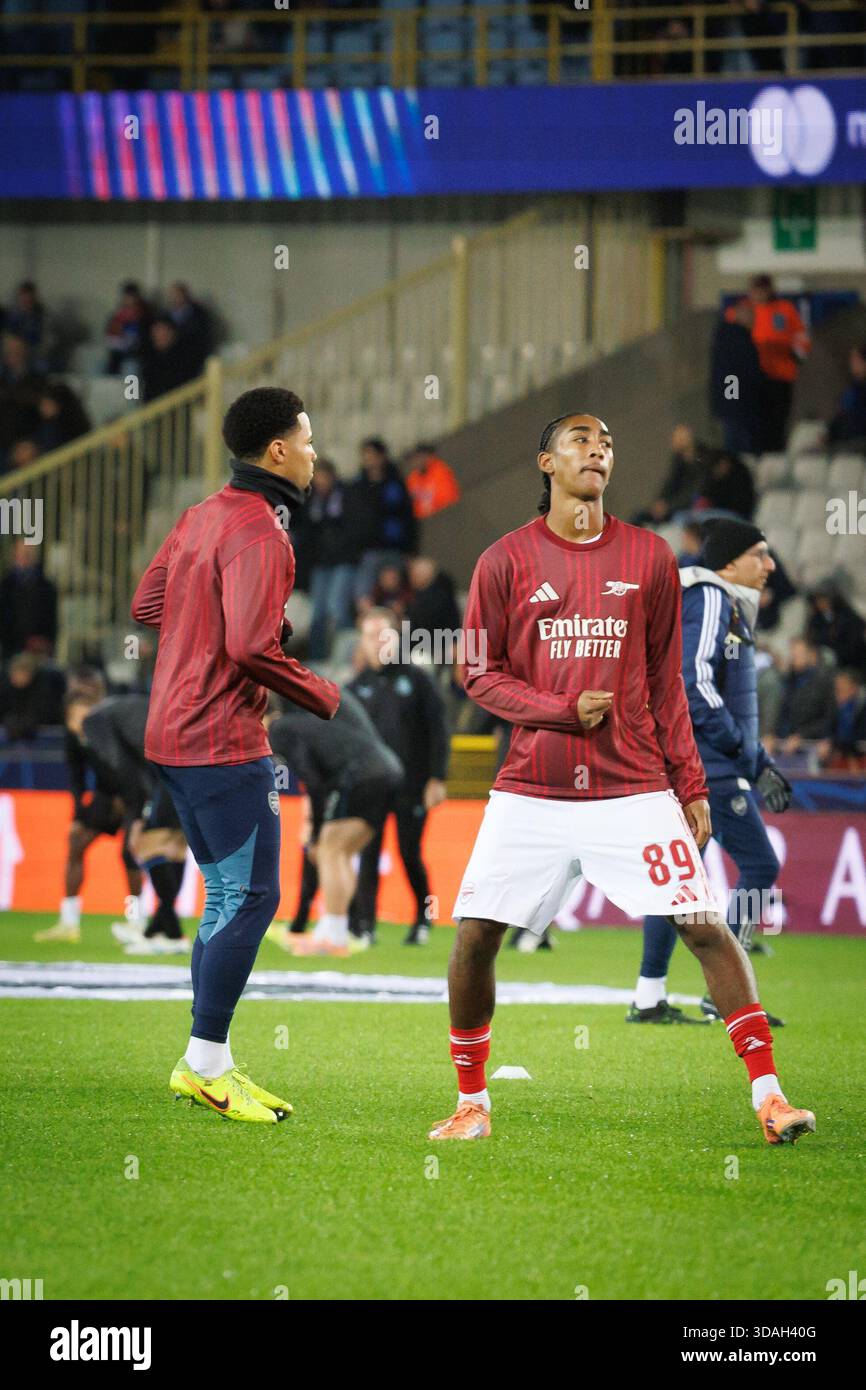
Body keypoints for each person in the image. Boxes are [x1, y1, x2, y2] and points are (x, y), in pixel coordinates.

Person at [427, 412, 814, 1146]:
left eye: (607, 439)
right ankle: (472, 1102)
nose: (597, 448)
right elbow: (475, 673)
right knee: (475, 936)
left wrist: (691, 785)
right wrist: (560, 711)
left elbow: (668, 684)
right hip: (533, 787)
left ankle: (770, 1096)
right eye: (580, 438)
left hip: (634, 787)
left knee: (703, 926)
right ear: (546, 461)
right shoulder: (503, 560)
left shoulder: (649, 557)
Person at [131, 386, 339, 1125]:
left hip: (170, 733)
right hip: (221, 739)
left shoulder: (201, 514)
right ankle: (205, 1063)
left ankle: (206, 1062)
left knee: (226, 897)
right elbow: (252, 646)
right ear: (277, 450)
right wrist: (322, 695)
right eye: (308, 439)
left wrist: (207, 622)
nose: (316, 451)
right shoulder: (263, 530)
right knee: (253, 898)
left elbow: (147, 606)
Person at [630, 519, 792, 1030]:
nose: (769, 566)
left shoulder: (712, 600)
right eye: (760, 555)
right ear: (729, 561)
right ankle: (725, 993)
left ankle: (649, 997)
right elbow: (694, 685)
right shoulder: (713, 598)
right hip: (708, 766)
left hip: (695, 762)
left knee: (677, 885)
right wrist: (752, 757)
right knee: (761, 865)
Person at [266, 688, 404, 956]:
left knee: (329, 849)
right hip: (388, 770)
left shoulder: (280, 729)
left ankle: (333, 934)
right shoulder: (307, 721)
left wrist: (316, 833)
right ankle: (337, 932)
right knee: (342, 852)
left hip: (361, 775)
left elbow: (314, 783)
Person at [80, 692, 190, 956]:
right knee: (175, 847)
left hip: (168, 772)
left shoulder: (93, 721)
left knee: (151, 846)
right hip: (190, 767)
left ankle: (171, 934)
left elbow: (123, 767)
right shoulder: (127, 706)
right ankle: (159, 931)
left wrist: (138, 814)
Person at [34, 685, 145, 945]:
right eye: (74, 716)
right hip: (106, 795)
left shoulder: (110, 729)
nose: (79, 722)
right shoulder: (73, 737)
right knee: (76, 843)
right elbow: (76, 776)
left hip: (133, 795)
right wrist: (78, 814)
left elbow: (132, 765)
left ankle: (136, 922)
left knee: (128, 854)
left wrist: (130, 799)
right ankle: (69, 922)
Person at [725, 276, 810, 452]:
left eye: (762, 289)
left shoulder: (784, 310)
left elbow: (801, 339)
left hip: (779, 377)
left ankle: (774, 457)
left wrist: (795, 354)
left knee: (776, 424)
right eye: (755, 289)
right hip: (748, 380)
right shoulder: (738, 312)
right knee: (746, 424)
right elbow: (728, 353)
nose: (759, 294)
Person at [305, 458, 363, 660]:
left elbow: (355, 529)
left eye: (323, 477)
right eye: (316, 478)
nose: (320, 482)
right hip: (321, 563)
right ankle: (317, 659)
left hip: (344, 561)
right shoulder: (311, 499)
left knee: (337, 609)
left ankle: (344, 658)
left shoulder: (346, 497)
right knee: (318, 613)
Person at [351, 437, 417, 603]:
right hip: (369, 548)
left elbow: (407, 517)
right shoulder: (359, 485)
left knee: (394, 591)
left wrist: (410, 549)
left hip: (394, 547)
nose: (369, 461)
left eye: (372, 456)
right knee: (364, 592)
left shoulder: (395, 482)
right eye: (366, 456)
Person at [709, 300, 764, 456]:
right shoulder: (735, 338)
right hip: (738, 408)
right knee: (739, 448)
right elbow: (731, 374)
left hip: (735, 406)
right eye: (751, 315)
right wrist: (734, 402)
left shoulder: (735, 337)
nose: (754, 320)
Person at [765, 637, 836, 756]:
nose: (794, 658)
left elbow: (829, 719)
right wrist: (772, 734)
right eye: (792, 654)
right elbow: (782, 713)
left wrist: (802, 735)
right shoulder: (787, 681)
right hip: (784, 745)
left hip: (810, 747)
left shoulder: (823, 683)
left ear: (810, 654)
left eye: (799, 654)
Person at [0, 540, 58, 661]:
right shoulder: (5, 586)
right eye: (22, 554)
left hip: (38, 648)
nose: (25, 558)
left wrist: (45, 640)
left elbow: (52, 618)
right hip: (10, 646)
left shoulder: (46, 586)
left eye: (28, 554)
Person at [805, 580, 866, 674]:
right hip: (835, 658)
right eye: (818, 600)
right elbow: (814, 637)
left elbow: (857, 627)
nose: (821, 603)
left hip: (855, 653)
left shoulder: (845, 612)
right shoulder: (816, 619)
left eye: (824, 599)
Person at [0, 651, 64, 739]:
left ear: (31, 674)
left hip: (41, 738)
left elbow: (48, 715)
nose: (16, 677)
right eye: (14, 672)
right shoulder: (5, 689)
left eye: (22, 673)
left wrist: (28, 723)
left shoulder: (44, 691)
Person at [140, 316, 201, 402]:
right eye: (156, 333)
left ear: (173, 333)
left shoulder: (185, 358)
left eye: (163, 332)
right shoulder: (149, 359)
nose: (160, 336)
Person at [817, 669, 866, 768]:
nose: (838, 692)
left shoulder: (861, 707)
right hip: (839, 756)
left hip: (859, 758)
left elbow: (858, 737)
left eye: (842, 687)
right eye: (837, 688)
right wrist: (827, 741)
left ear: (853, 688)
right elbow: (829, 728)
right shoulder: (835, 705)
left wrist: (834, 743)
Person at [104, 280, 152, 374]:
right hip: (118, 353)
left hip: (137, 354)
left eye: (131, 296)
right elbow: (109, 335)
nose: (129, 299)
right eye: (126, 296)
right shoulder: (117, 316)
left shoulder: (145, 316)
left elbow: (147, 338)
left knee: (131, 367)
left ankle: (130, 389)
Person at [165, 282, 213, 376]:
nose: (175, 298)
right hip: (172, 357)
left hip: (192, 355)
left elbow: (202, 334)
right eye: (173, 295)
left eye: (178, 295)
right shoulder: (167, 315)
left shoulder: (198, 313)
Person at [405, 442, 461, 520]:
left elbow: (448, 498)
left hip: (447, 516)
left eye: (417, 457)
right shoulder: (412, 480)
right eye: (411, 459)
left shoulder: (440, 470)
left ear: (426, 455)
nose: (414, 462)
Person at [828, 343, 866, 444]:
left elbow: (853, 419)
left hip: (855, 443)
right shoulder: (853, 389)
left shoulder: (860, 391)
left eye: (855, 359)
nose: (850, 363)